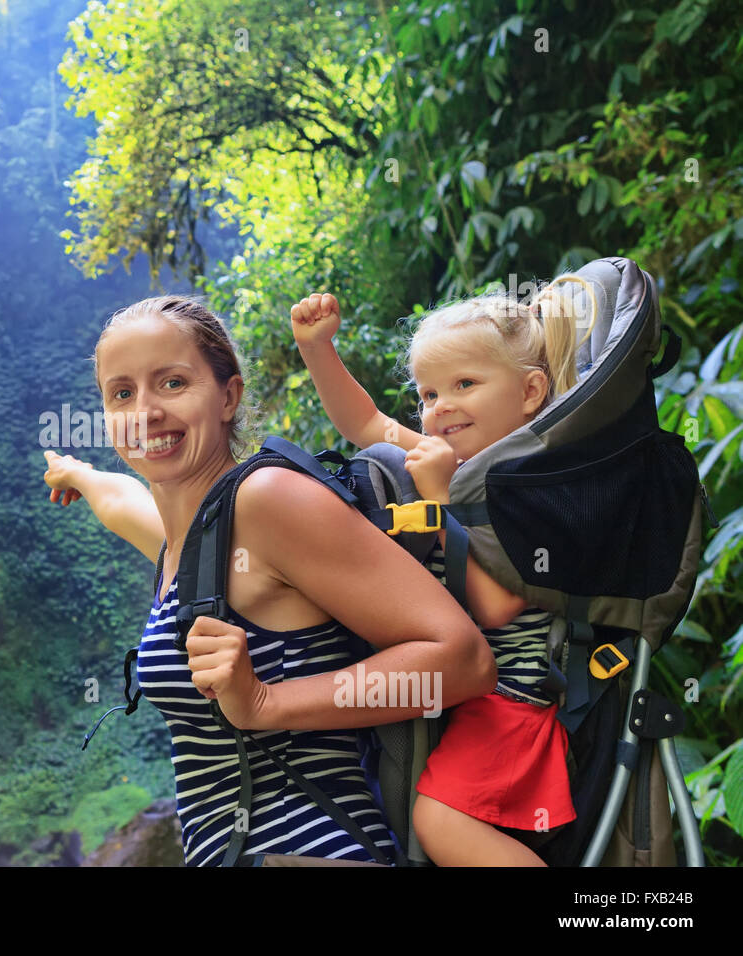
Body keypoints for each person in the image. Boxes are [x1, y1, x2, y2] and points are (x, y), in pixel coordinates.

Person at [43, 294, 495, 866]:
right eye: (122, 394)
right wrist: (77, 474)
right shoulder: (184, 542)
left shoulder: (267, 501)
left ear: (228, 396)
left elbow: (463, 662)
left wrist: (264, 702)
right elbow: (121, 500)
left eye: (173, 384)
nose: (146, 412)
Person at [289, 279, 597, 865]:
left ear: (531, 391)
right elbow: (366, 425)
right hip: (467, 694)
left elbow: (498, 606)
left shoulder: (538, 486)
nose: (440, 407)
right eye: (429, 395)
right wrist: (317, 349)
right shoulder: (455, 464)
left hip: (515, 700)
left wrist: (439, 507)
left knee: (438, 821)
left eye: (465, 385)